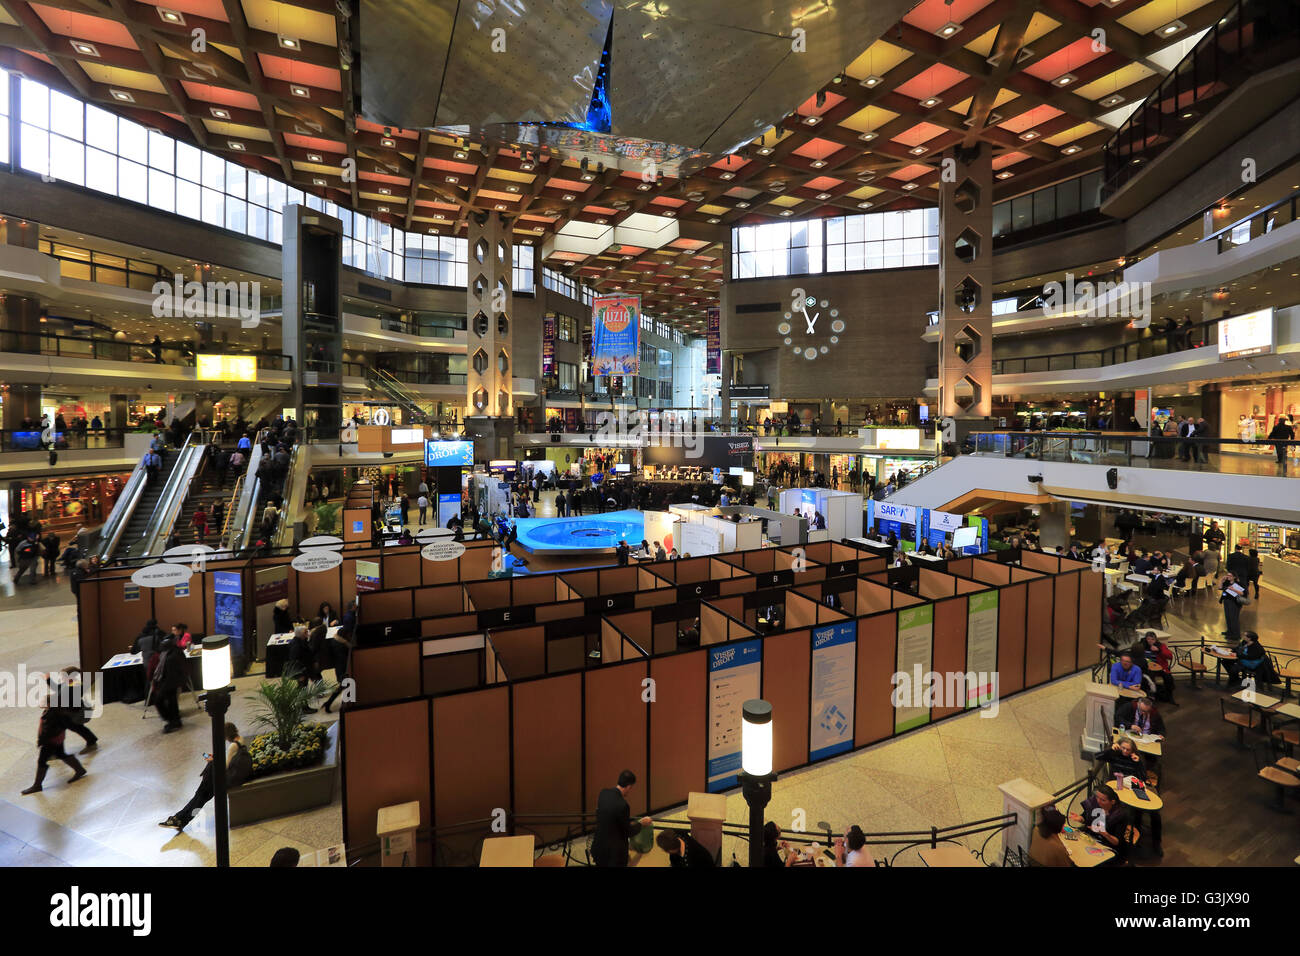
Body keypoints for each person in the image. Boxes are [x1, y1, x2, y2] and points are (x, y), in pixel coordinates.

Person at [159, 723, 252, 831]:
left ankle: (178, 819)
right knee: (200, 799)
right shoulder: (241, 740)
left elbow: (225, 766)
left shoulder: (233, 746)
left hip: (217, 778)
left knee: (199, 797)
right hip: (223, 778)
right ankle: (180, 820)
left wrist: (213, 760)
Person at [20, 697, 88, 794]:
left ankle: (37, 785)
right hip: (57, 739)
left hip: (50, 741)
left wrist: (42, 741)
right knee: (61, 754)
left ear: (49, 703)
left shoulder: (52, 714)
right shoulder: (55, 711)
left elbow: (48, 731)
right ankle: (79, 769)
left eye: (43, 702)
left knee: (42, 761)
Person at [591, 769, 651, 867]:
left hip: (599, 847)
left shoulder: (603, 793)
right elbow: (627, 832)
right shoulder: (623, 805)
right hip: (614, 854)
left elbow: (607, 815)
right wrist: (641, 823)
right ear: (629, 786)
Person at [1078, 785, 1133, 865]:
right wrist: (1081, 819)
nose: (1098, 801)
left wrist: (1104, 833)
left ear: (1112, 802)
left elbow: (1116, 842)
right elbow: (1085, 817)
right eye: (1097, 797)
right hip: (1093, 839)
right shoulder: (1094, 803)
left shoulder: (1119, 815)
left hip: (1110, 846)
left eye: (1103, 800)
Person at [151, 634, 186, 732]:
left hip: (170, 683)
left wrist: (163, 687)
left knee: (160, 701)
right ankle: (175, 721)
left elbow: (171, 674)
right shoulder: (173, 652)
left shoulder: (170, 656)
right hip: (172, 682)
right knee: (172, 702)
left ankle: (172, 720)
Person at [1139, 633, 1176, 703]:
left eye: (1152, 639)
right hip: (1147, 668)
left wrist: (1159, 651)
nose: (1150, 641)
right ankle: (1150, 695)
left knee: (1168, 678)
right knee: (1149, 678)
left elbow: (1170, 656)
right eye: (1148, 639)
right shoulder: (1142, 645)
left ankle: (1169, 696)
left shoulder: (1161, 646)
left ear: (1155, 640)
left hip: (1160, 667)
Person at [1219, 572, 1247, 640]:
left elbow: (1243, 593)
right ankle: (1229, 631)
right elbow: (1220, 587)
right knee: (1228, 617)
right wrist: (1221, 581)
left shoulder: (1239, 584)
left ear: (1234, 577)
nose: (1228, 577)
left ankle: (1236, 635)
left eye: (1230, 576)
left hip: (1234, 603)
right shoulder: (1227, 582)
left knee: (1233, 618)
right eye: (1227, 575)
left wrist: (1233, 589)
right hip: (1226, 601)